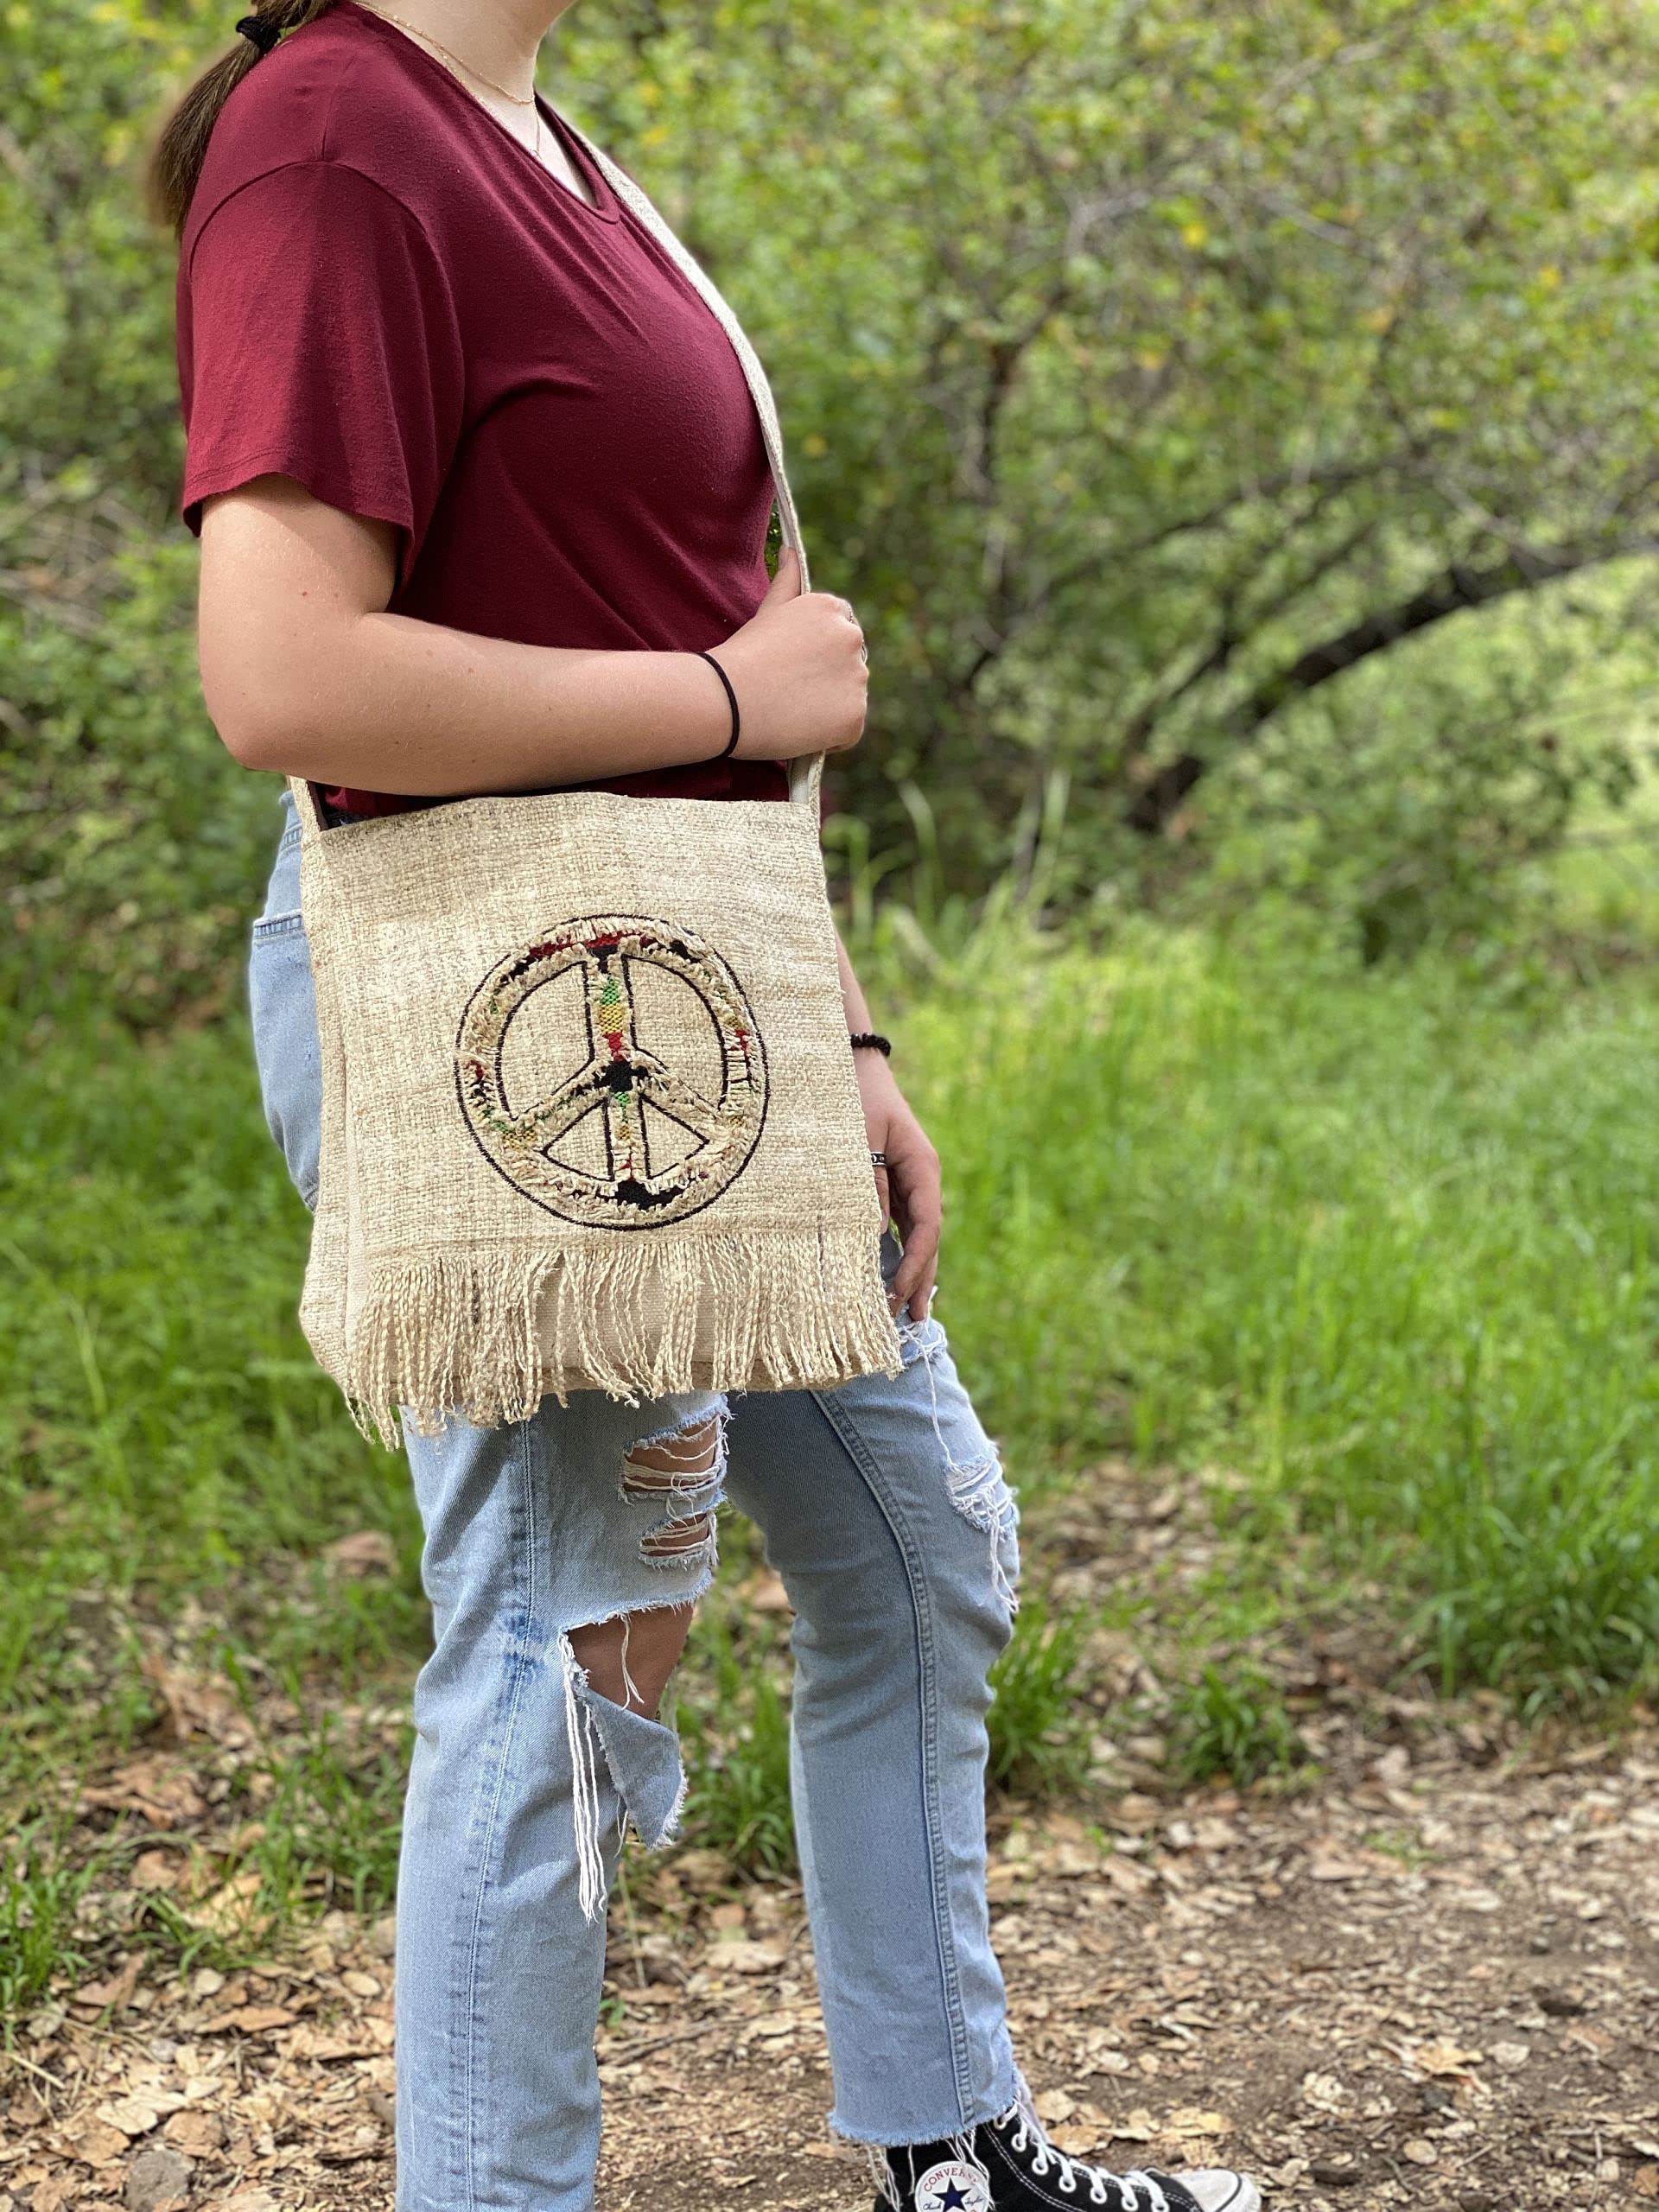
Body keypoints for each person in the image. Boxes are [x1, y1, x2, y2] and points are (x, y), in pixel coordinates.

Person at [154, 5, 1261, 2209]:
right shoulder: (335, 140)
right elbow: (279, 670)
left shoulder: (544, 144)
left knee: (912, 1539)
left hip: (708, 988)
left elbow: (675, 674)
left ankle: (948, 2152)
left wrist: (839, 1028)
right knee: (573, 1655)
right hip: (534, 1028)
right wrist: (733, 691)